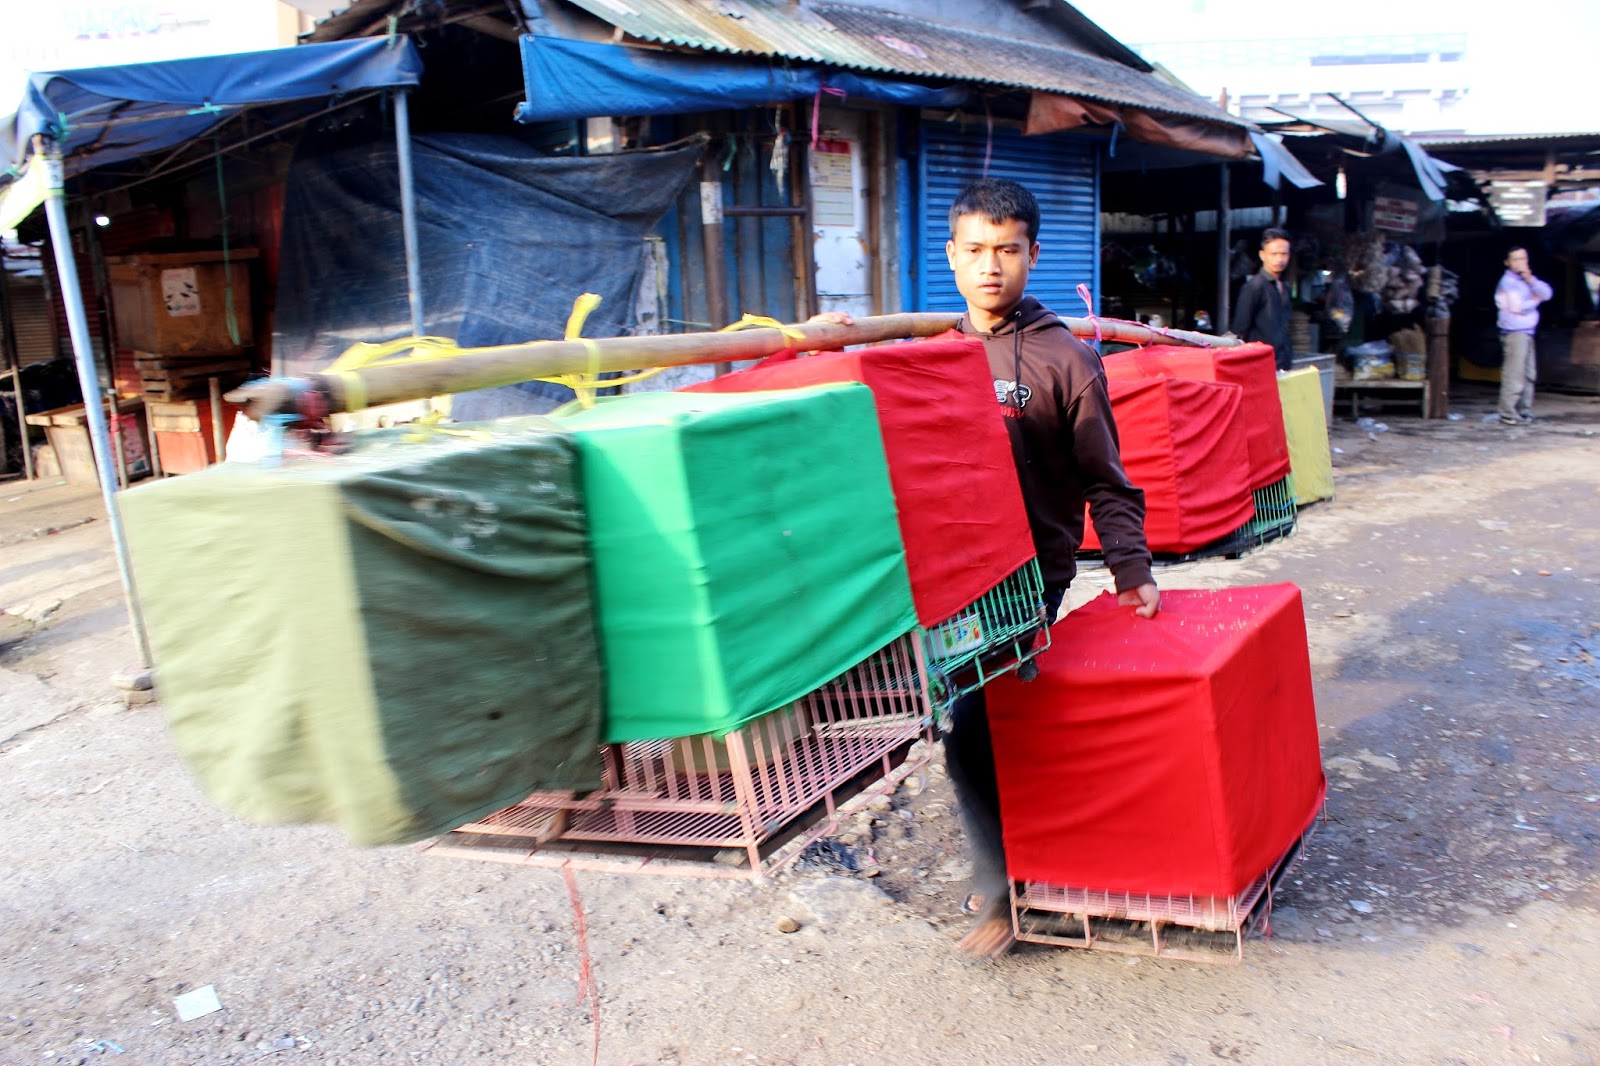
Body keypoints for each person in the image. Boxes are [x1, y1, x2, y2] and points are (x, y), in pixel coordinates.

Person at [942, 178, 1159, 956]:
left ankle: (1004, 898)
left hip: (1030, 572)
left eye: (1006, 250)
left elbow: (1107, 477)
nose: (989, 266)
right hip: (948, 571)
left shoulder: (1067, 359)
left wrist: (1131, 569)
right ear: (952, 256)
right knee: (976, 722)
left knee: (974, 726)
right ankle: (1008, 863)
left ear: (1033, 254)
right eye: (974, 250)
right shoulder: (933, 353)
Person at [1494, 246, 1552, 425]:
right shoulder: (1507, 282)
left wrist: (1530, 280)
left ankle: (1524, 410)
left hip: (1527, 332)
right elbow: (1517, 307)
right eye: (1516, 259)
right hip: (1514, 333)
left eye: (1523, 258)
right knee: (1515, 373)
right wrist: (1536, 299)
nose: (1521, 262)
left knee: (1529, 373)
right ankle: (1507, 412)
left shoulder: (1526, 280)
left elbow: (1547, 293)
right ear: (1507, 262)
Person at [1228, 228, 1295, 371]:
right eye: (1274, 254)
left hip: (1282, 363)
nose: (1279, 259)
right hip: (1260, 365)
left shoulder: (1285, 288)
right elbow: (1239, 329)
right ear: (1262, 255)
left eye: (1284, 254)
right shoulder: (1254, 286)